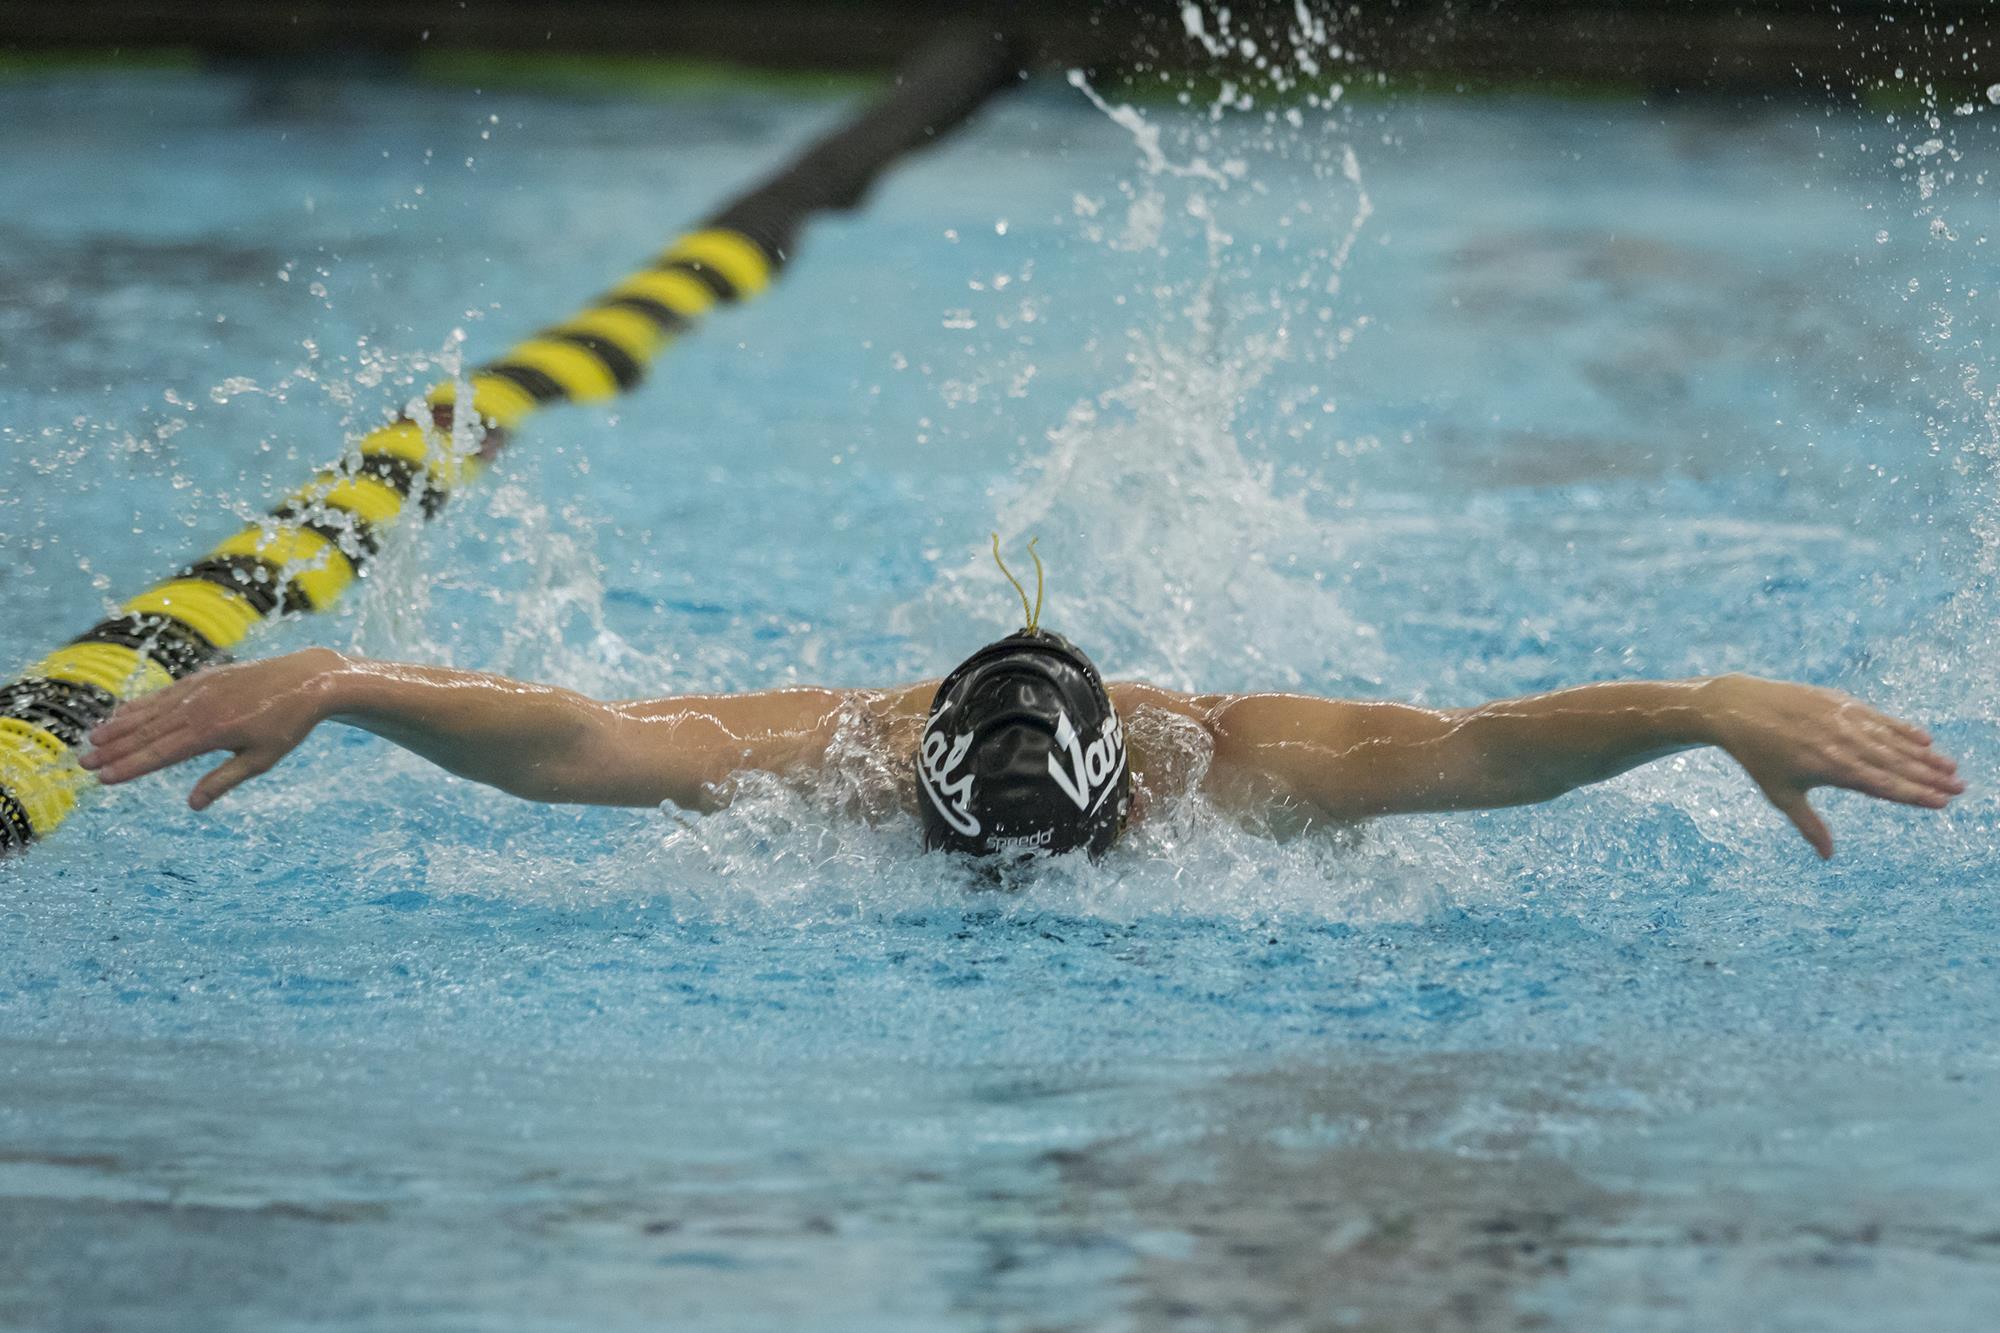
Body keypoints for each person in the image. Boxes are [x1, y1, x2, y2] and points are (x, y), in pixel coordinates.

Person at [80, 542, 1963, 862]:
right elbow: (579, 740)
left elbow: (1478, 750)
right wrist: (336, 671)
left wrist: (1717, 702)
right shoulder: (856, 755)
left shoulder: (1227, 761)